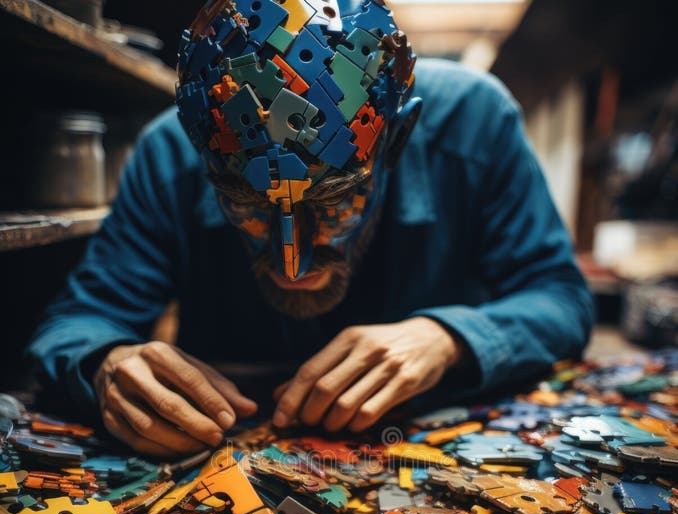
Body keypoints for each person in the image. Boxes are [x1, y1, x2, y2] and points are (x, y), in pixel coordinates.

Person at [27, 0, 594, 457]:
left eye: (335, 201)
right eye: (245, 202)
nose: (291, 262)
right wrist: (105, 364)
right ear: (202, 156)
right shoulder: (167, 153)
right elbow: (76, 323)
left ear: (396, 139)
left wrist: (446, 338)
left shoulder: (476, 121)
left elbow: (561, 298)